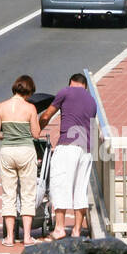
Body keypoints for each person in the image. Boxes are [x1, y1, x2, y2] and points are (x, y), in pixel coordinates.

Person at [39, 73, 98, 239]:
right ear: (85, 85)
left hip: (67, 146)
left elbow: (46, 115)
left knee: (60, 184)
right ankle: (77, 230)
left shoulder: (66, 92)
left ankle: (59, 229)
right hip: (86, 149)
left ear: (71, 83)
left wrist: (36, 131)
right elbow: (93, 129)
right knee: (81, 189)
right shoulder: (92, 101)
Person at [0, 76, 42, 246]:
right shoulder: (30, 108)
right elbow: (36, 134)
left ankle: (9, 238)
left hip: (7, 151)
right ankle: (27, 236)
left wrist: (9, 136)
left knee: (9, 194)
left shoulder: (0, 107)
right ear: (28, 92)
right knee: (28, 193)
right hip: (26, 151)